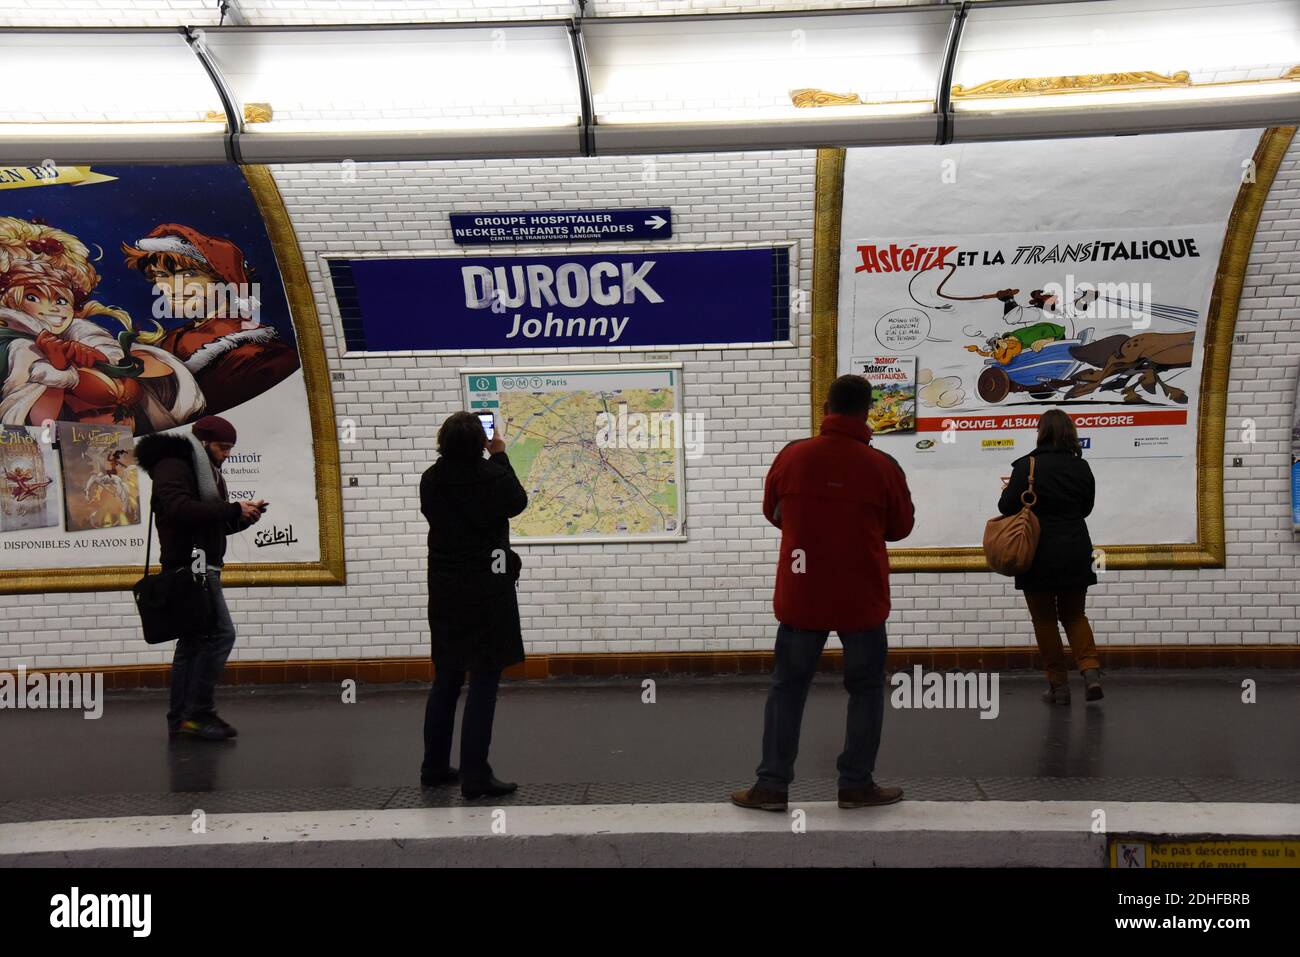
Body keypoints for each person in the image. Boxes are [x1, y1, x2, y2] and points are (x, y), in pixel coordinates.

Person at [732, 374, 915, 812]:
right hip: (862, 596)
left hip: (803, 593)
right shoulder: (883, 466)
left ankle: (772, 787)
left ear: (827, 408)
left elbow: (773, 511)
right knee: (866, 690)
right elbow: (901, 527)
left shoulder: (793, 457)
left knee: (787, 689)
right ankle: (856, 785)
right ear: (867, 411)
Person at [135, 415, 266, 739]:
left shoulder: (205, 472)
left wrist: (244, 517)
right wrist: (233, 508)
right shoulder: (174, 465)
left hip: (201, 565)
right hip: (191, 568)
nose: (227, 455)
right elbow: (180, 510)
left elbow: (210, 522)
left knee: (193, 643)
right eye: (223, 447)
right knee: (221, 635)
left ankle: (182, 720)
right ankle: (198, 713)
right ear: (204, 442)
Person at [419, 411, 528, 799]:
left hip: (446, 592)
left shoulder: (431, 479)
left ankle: (433, 767)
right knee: (484, 681)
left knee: (446, 679)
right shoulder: (493, 476)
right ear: (479, 442)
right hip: (487, 590)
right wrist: (499, 453)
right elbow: (517, 502)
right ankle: (475, 776)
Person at [998, 408, 1102, 704]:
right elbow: (1086, 509)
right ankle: (1090, 671)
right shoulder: (1082, 468)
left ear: (1040, 433)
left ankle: (1059, 686)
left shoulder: (1027, 466)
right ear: (1070, 433)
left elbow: (1007, 507)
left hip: (1037, 552)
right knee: (1075, 614)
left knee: (1044, 620)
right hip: (1075, 548)